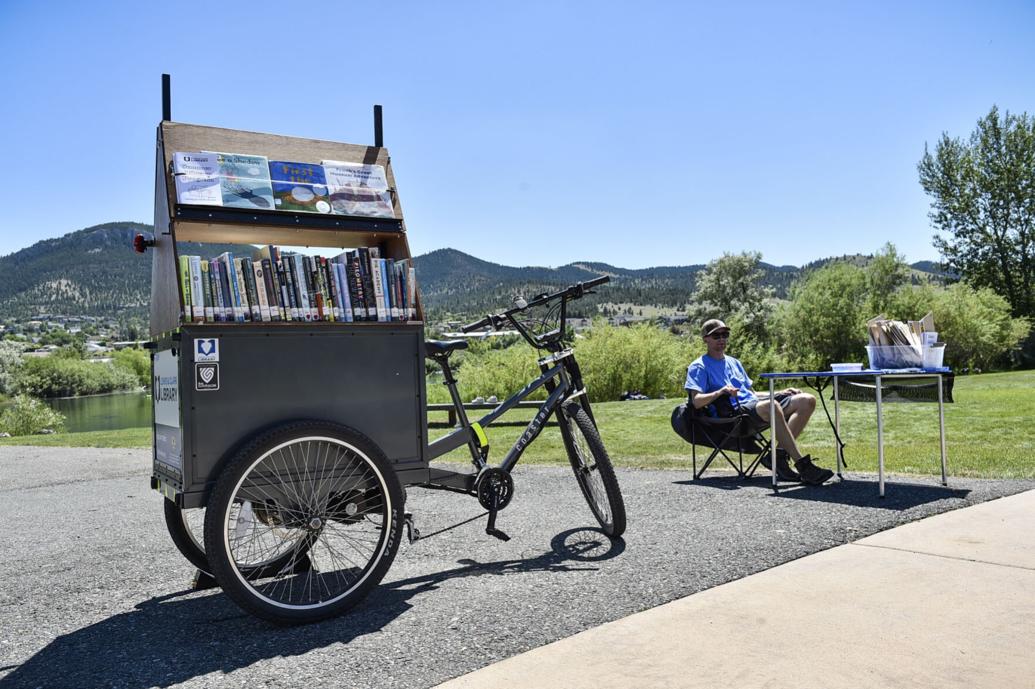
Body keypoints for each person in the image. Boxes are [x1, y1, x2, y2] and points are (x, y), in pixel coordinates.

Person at [684, 319, 834, 485]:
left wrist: (779, 393)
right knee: (772, 406)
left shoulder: (734, 362)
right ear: (705, 339)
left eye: (725, 335)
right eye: (716, 336)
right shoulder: (699, 366)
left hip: (752, 409)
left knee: (807, 400)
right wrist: (720, 392)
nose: (722, 339)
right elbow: (696, 402)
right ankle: (803, 466)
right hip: (731, 417)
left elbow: (752, 394)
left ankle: (776, 456)